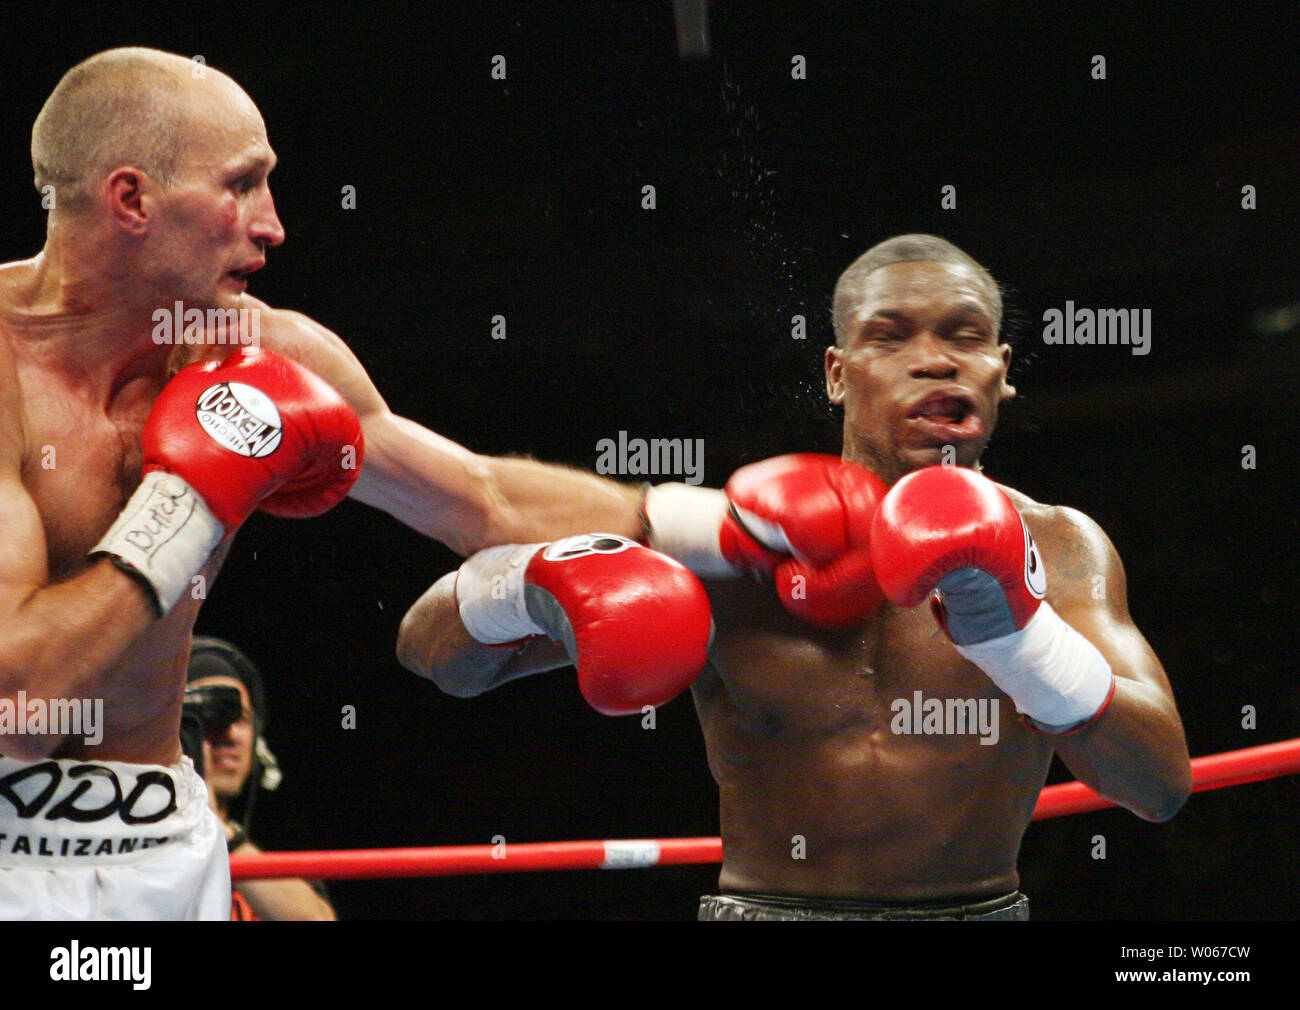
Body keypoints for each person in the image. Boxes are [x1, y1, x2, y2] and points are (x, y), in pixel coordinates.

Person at [0, 47, 753, 919]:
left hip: (164, 850)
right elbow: (20, 704)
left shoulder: (261, 354)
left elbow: (480, 501)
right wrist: (192, 499)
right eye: (241, 186)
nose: (274, 225)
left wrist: (732, 529)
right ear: (131, 200)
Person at [397, 234, 1194, 921]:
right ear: (837, 373)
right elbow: (434, 654)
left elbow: (1158, 784)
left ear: (1001, 370)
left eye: (966, 335)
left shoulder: (1055, 547)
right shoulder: (731, 548)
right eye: (891, 337)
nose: (934, 360)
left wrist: (1018, 634)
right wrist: (533, 581)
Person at [185, 637, 334, 920]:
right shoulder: (118, 845)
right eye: (209, 716)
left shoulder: (276, 861)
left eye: (239, 717)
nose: (229, 734)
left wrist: (215, 828)